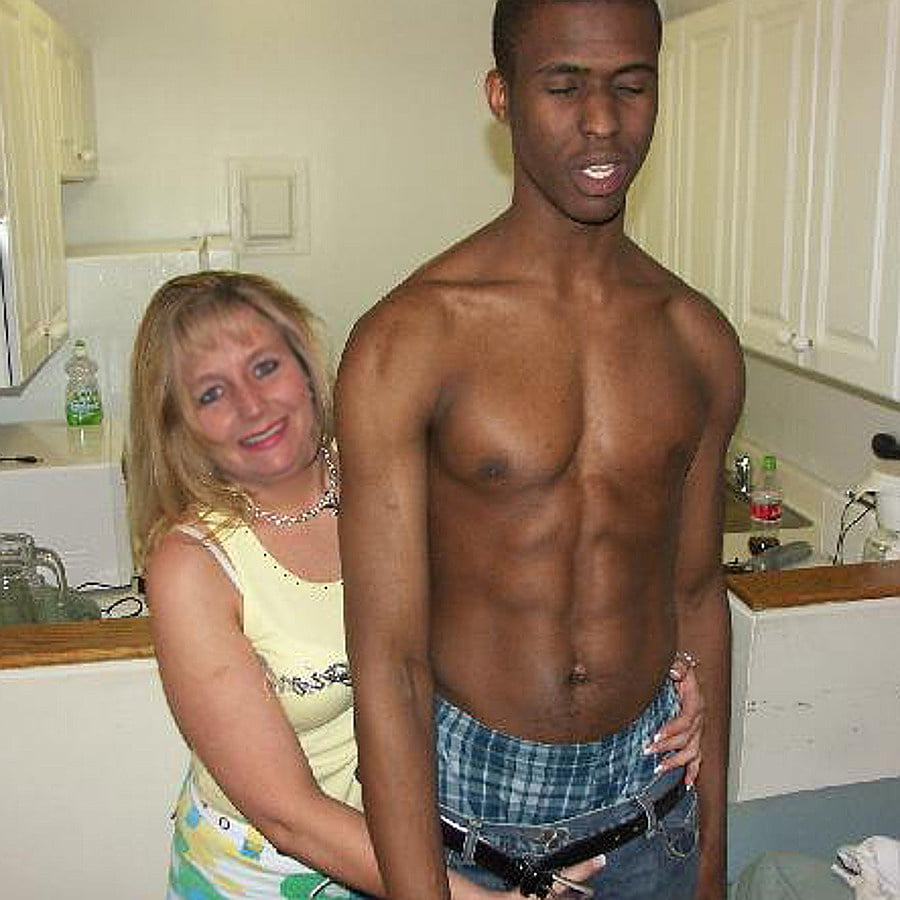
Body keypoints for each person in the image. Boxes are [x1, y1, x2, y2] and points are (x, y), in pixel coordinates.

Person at [335, 1, 744, 899]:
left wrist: (711, 859)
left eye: (632, 86)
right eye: (564, 86)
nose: (603, 121)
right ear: (502, 96)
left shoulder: (697, 341)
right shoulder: (410, 340)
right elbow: (389, 663)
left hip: (653, 814)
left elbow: (696, 596)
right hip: (470, 835)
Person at [128, 271, 630, 900]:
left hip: (419, 844)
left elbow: (544, 583)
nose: (252, 406)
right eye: (211, 393)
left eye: (264, 367)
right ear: (179, 425)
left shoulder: (395, 474)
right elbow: (289, 816)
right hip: (262, 874)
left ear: (305, 363)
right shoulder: (193, 566)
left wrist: (661, 679)